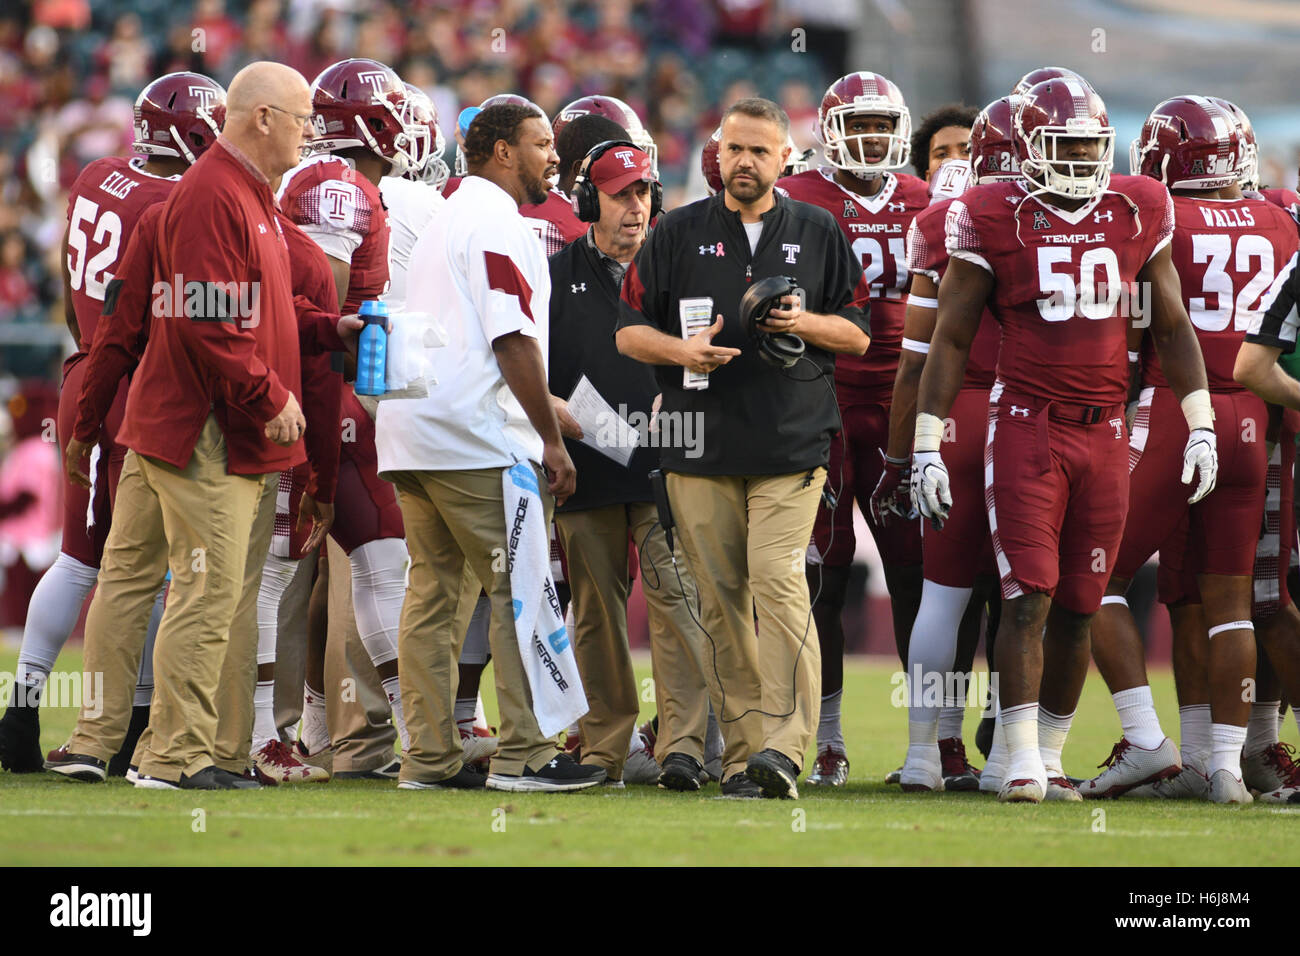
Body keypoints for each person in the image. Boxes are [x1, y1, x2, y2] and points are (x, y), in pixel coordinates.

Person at [914, 76, 1216, 803]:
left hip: (1108, 431)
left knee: (1082, 602)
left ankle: (1048, 753)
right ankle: (1015, 756)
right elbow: (950, 338)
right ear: (1027, 151)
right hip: (1027, 426)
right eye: (1065, 145)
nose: (1081, 159)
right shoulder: (992, 212)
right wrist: (927, 440)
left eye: (1090, 144)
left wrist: (1200, 422)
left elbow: (1171, 325)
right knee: (1027, 597)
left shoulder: (1138, 204)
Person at [47, 61, 315, 790]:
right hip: (209, 431)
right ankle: (174, 756)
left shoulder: (210, 197)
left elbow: (124, 320)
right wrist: (268, 395)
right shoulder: (214, 195)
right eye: (301, 118)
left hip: (158, 426)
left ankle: (98, 740)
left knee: (128, 579)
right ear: (261, 117)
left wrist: (87, 421)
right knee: (208, 589)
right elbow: (208, 316)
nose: (310, 133)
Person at [616, 98, 870, 799]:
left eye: (760, 150)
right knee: (720, 602)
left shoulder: (819, 229)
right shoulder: (678, 231)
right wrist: (682, 349)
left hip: (791, 441)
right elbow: (629, 332)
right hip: (698, 442)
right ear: (717, 153)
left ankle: (787, 748)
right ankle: (744, 757)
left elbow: (859, 333)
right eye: (734, 149)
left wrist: (806, 322)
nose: (746, 162)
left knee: (778, 582)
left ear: (786, 157)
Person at [0, 72, 223, 775]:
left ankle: (57, 714)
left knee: (114, 562)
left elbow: (73, 297)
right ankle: (48, 715)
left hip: (89, 369)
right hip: (132, 386)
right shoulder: (176, 199)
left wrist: (87, 354)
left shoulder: (98, 174)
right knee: (104, 562)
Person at [376, 103, 603, 792]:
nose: (553, 158)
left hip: (413, 430)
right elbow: (510, 338)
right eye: (541, 144)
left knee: (433, 596)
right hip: (475, 438)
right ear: (503, 152)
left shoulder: (444, 213)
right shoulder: (498, 222)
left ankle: (430, 757)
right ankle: (526, 753)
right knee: (518, 588)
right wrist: (546, 436)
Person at [1080, 95, 1299, 804]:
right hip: (1255, 417)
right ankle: (1226, 770)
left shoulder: (1156, 211)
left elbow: (1141, 330)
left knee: (1085, 580)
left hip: (1181, 406)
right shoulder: (1283, 219)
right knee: (1230, 601)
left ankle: (1147, 741)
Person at [776, 72, 929, 787]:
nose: (871, 139)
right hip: (827, 401)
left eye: (880, 124)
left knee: (917, 578)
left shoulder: (926, 200)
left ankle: (931, 743)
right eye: (857, 124)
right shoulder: (799, 197)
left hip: (908, 402)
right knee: (824, 580)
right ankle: (829, 738)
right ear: (832, 130)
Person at [547, 138, 711, 789]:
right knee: (594, 610)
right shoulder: (556, 275)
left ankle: (682, 745)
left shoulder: (679, 272)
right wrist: (553, 425)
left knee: (679, 600)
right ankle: (606, 744)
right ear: (590, 201)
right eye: (620, 194)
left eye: (643, 192)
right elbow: (531, 366)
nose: (635, 207)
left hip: (666, 461)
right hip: (584, 464)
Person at [883, 98, 1021, 793]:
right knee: (1026, 598)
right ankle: (1018, 761)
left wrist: (906, 451)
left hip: (957, 410)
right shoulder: (1058, 212)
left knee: (943, 593)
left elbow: (916, 356)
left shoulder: (941, 220)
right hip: (1036, 415)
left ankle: (922, 756)